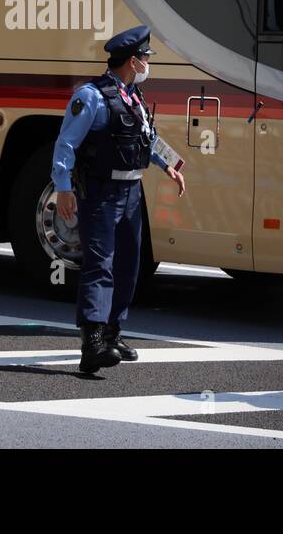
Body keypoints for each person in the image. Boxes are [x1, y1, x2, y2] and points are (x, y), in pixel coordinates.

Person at [52, 25, 186, 374]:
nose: (147, 63)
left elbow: (146, 137)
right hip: (100, 193)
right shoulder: (92, 97)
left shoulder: (133, 96)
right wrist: (63, 187)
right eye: (145, 57)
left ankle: (112, 334)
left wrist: (169, 164)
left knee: (130, 264)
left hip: (130, 192)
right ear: (132, 60)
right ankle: (92, 344)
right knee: (100, 264)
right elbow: (66, 144)